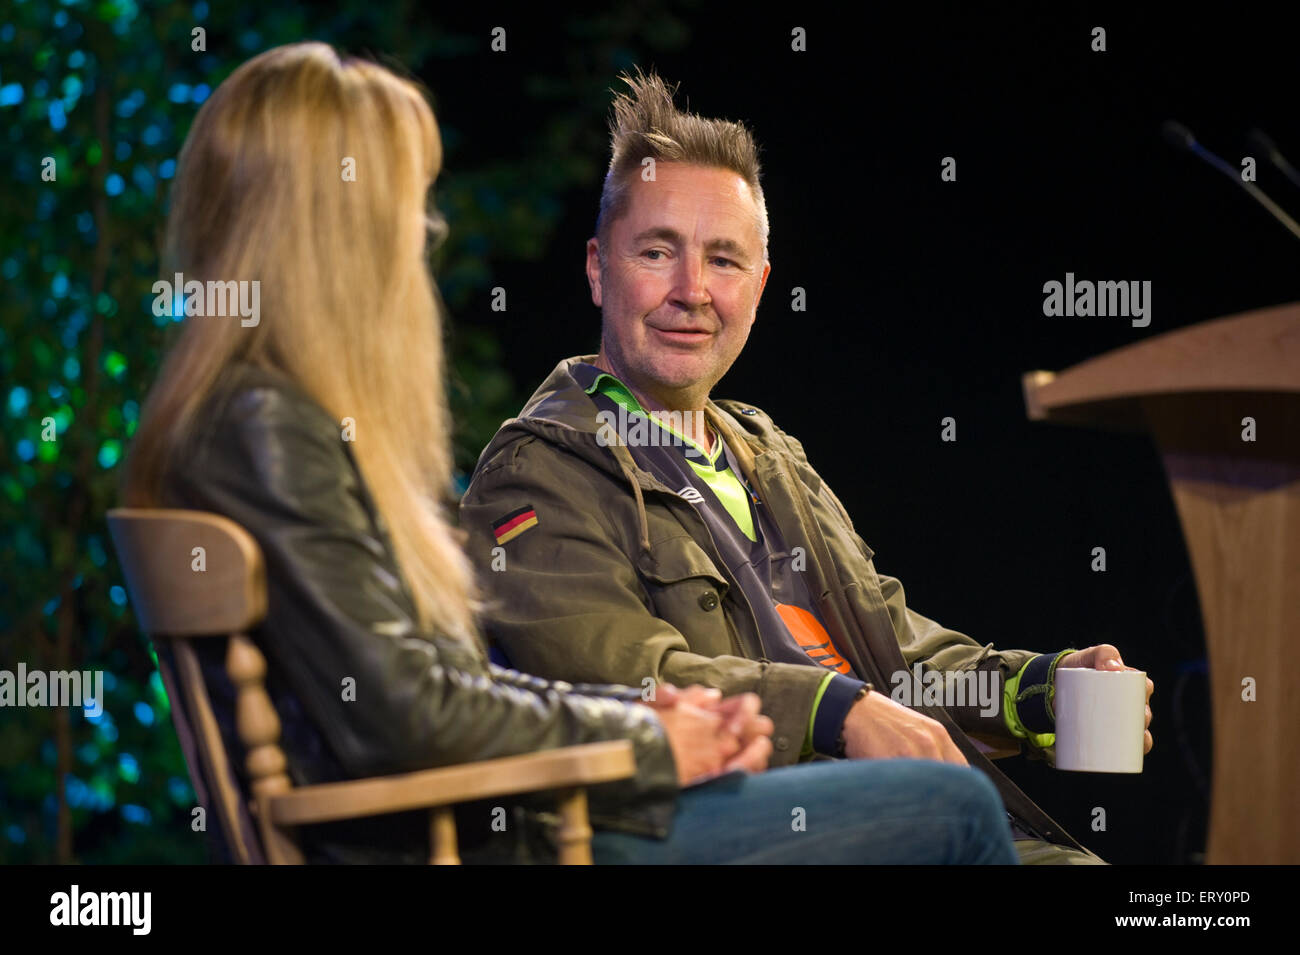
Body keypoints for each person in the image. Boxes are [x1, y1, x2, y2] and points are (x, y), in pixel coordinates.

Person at [121, 42, 1019, 865]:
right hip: (521, 837)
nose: (424, 235)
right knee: (953, 809)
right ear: (325, 228)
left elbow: (435, 692)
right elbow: (405, 715)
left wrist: (1039, 691)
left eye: (724, 261)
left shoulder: (259, 421)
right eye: (405, 208)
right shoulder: (271, 429)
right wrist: (649, 734)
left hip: (534, 816)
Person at [459, 69, 1156, 865]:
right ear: (597, 268)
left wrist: (1038, 691)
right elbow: (631, 682)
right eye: (657, 251)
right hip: (722, 832)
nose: (692, 291)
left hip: (880, 820)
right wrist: (836, 708)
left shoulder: (770, 454)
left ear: (759, 287)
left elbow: (896, 655)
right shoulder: (538, 470)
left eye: (724, 261)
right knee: (971, 814)